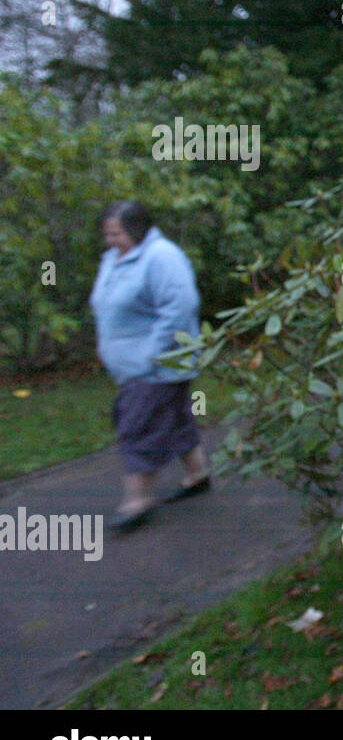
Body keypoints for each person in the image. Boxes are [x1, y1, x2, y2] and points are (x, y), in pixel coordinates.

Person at [90, 201, 210, 531]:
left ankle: (137, 500)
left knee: (137, 426)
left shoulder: (162, 256)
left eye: (116, 233)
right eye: (107, 234)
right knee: (175, 420)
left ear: (137, 228)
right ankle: (198, 475)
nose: (110, 240)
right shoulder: (114, 258)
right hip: (133, 366)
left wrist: (151, 355)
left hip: (157, 367)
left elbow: (180, 307)